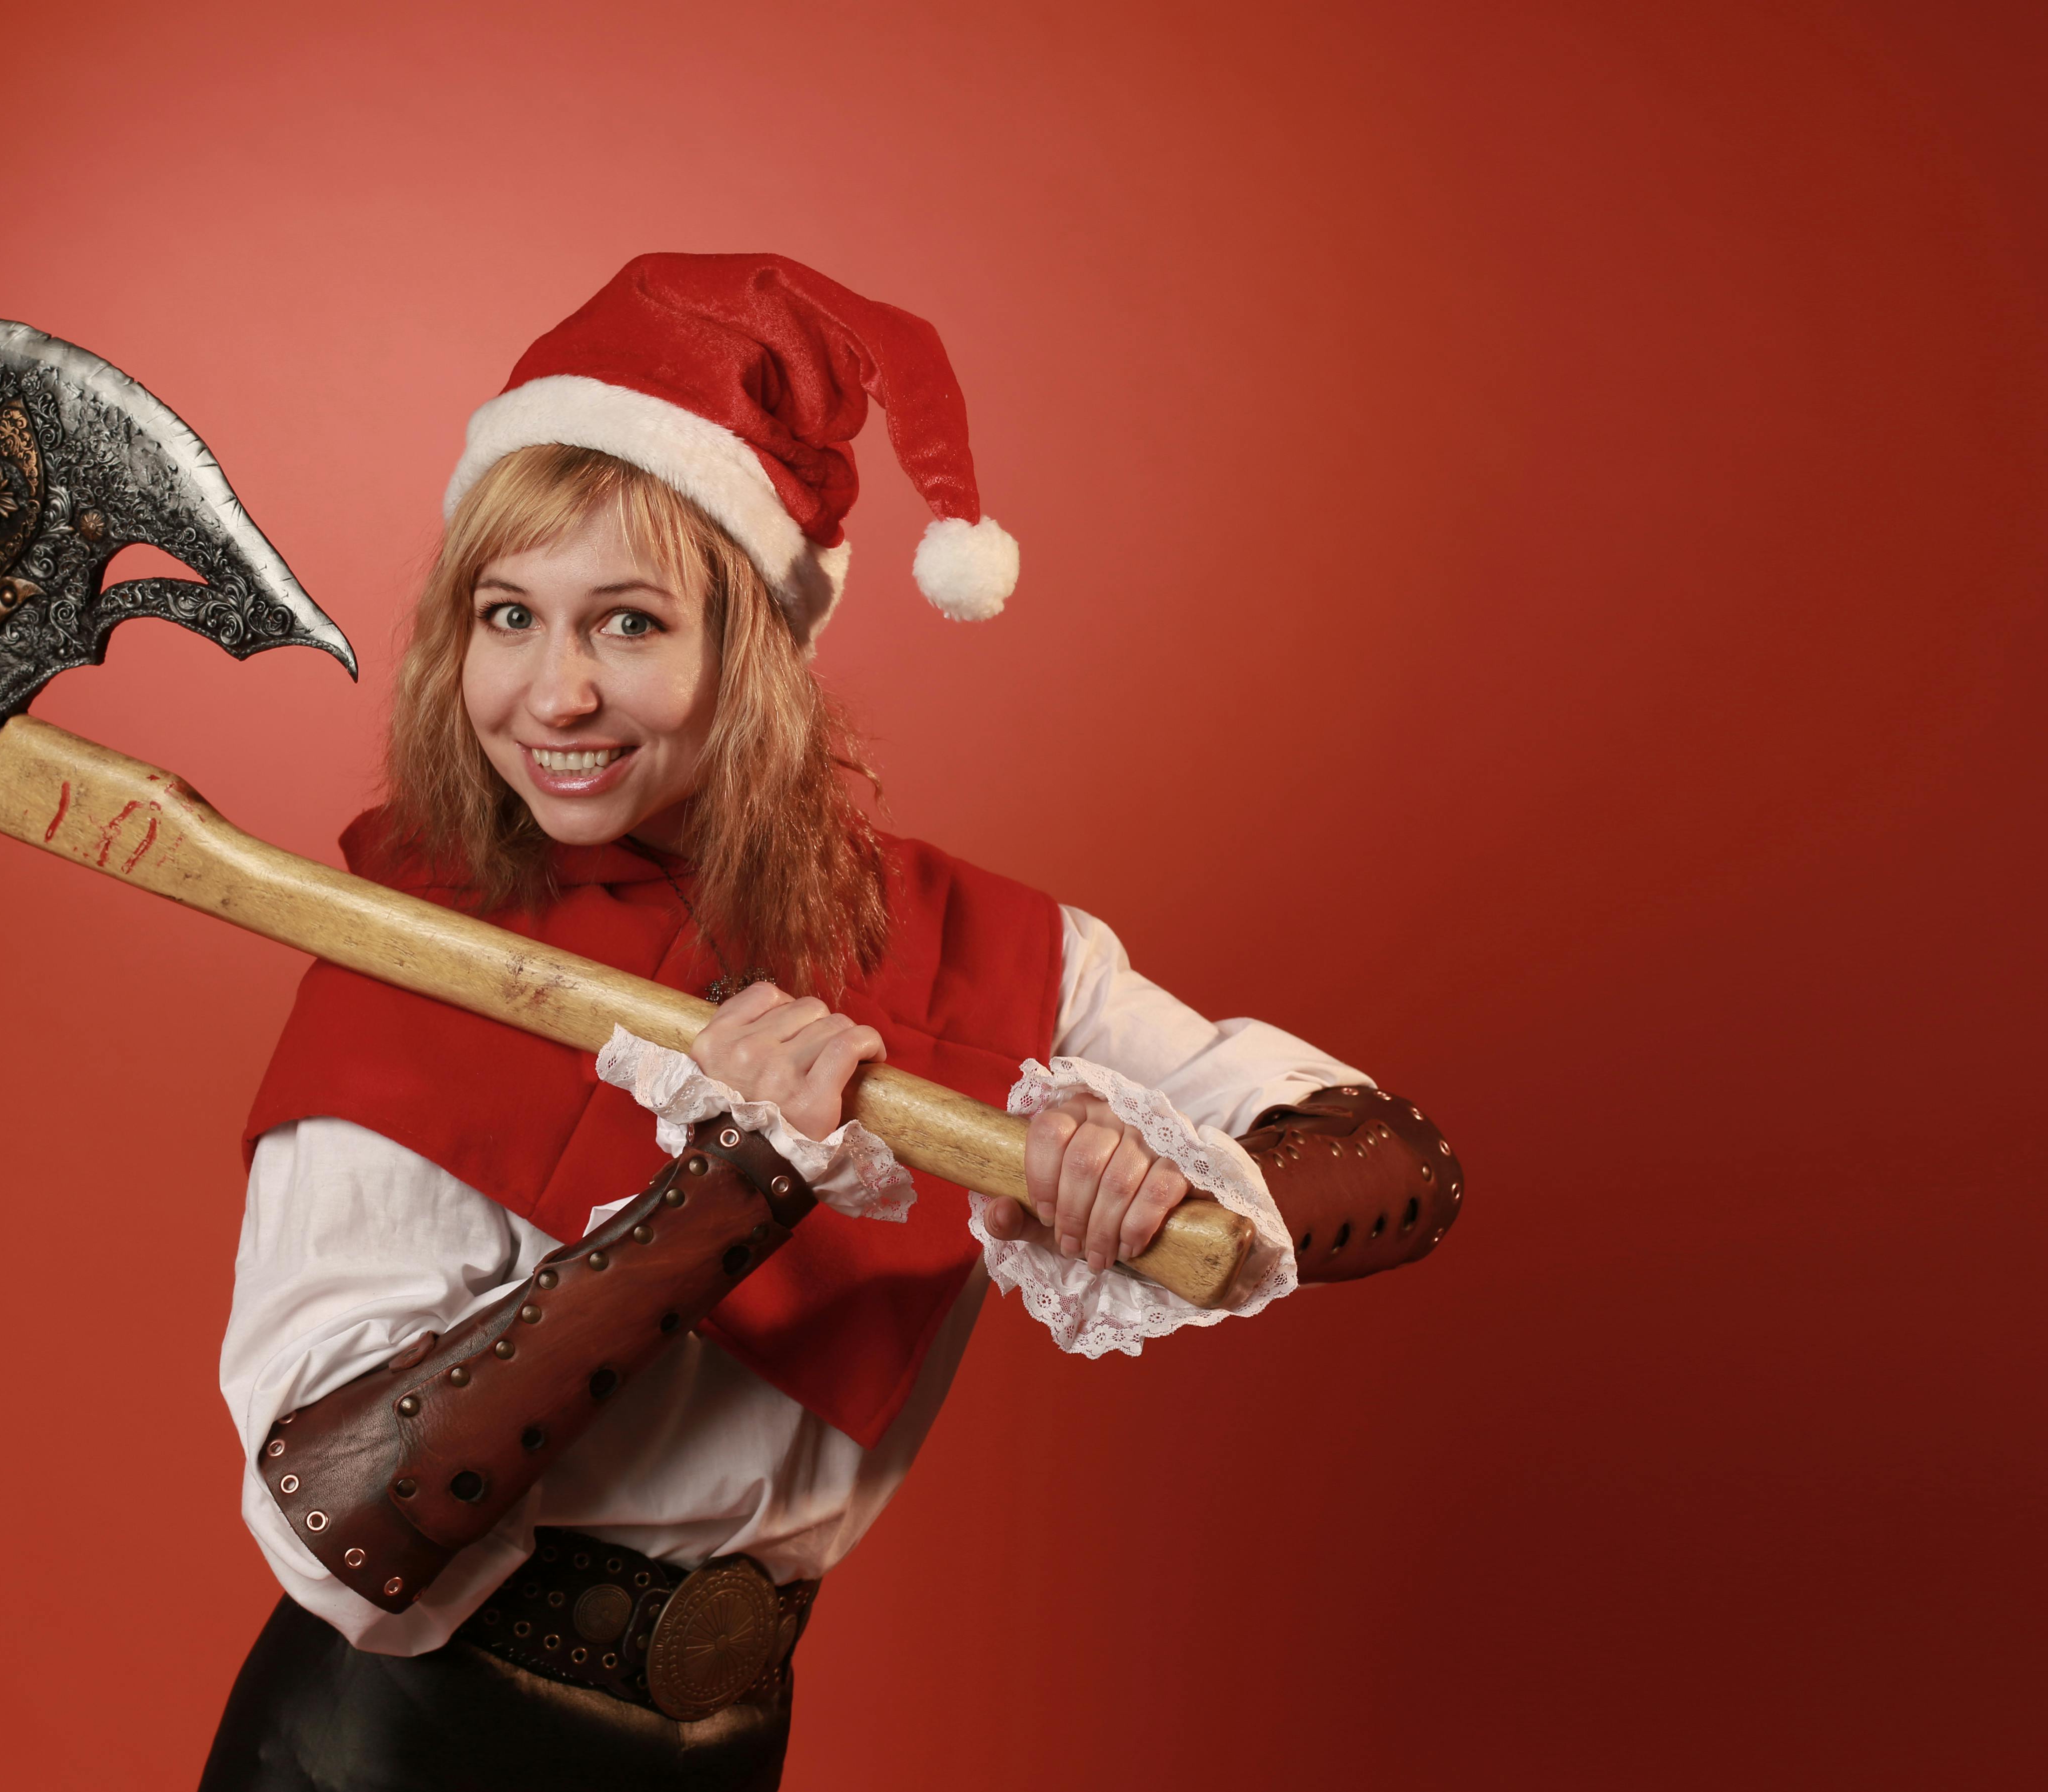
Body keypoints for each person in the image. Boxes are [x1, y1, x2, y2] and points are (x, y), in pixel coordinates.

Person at [197, 254, 1460, 1792]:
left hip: (723, 1741)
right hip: (387, 1753)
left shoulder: (981, 951)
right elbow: (341, 1522)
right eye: (507, 614)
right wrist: (734, 1185)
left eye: (631, 625)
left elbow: (1391, 1162)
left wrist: (1171, 1180)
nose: (552, 691)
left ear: (761, 651)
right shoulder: (401, 954)